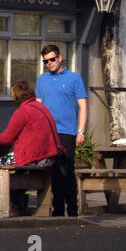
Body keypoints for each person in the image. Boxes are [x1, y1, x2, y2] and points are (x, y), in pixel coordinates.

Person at [0, 81, 63, 214]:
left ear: (15, 96)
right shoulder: (41, 108)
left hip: (33, 157)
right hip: (50, 157)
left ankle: (4, 208)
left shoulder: (22, 112)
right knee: (14, 171)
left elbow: (7, 138)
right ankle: (19, 204)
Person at [35, 45, 87, 217]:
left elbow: (83, 106)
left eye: (52, 59)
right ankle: (57, 209)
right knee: (54, 170)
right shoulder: (42, 79)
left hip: (67, 131)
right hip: (48, 132)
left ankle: (72, 209)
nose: (49, 63)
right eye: (45, 61)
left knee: (67, 169)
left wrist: (81, 131)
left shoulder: (74, 78)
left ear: (59, 58)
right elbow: (38, 105)